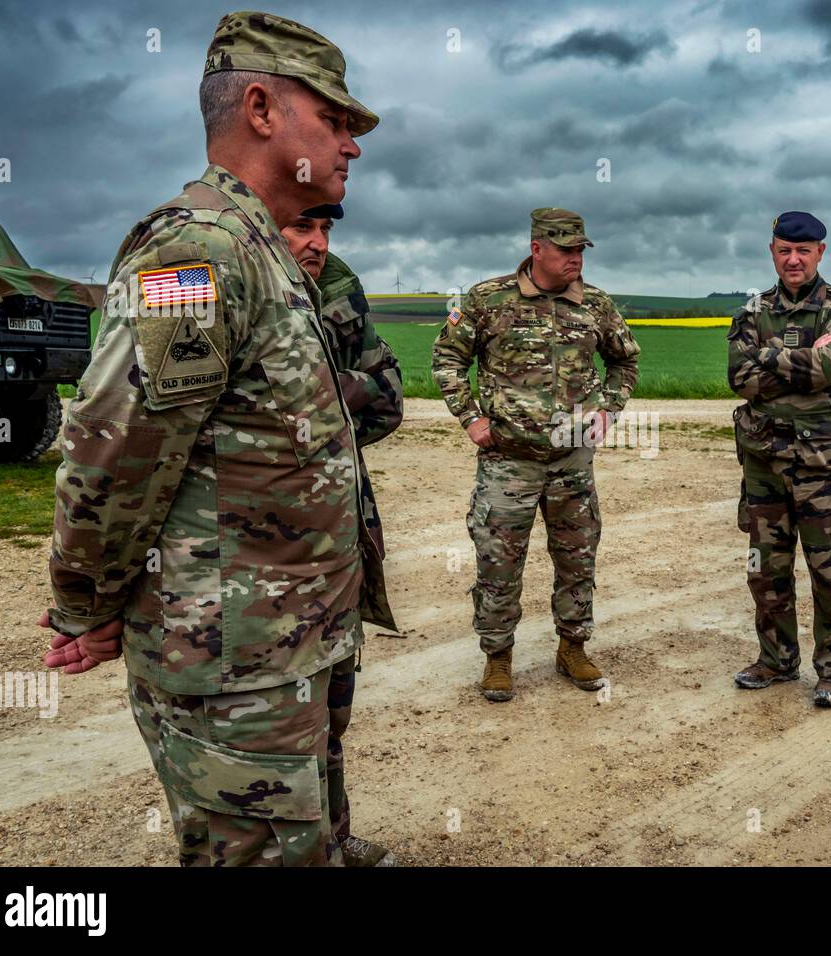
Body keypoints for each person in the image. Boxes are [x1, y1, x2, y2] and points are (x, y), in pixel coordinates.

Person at [40, 11, 391, 866]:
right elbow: (116, 452)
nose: (352, 146)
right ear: (263, 109)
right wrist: (86, 604)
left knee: (311, 824)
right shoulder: (193, 255)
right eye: (338, 121)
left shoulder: (266, 253)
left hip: (293, 636)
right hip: (230, 655)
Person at [431, 208, 640, 702]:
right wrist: (470, 418)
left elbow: (624, 360)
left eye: (580, 250)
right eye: (565, 250)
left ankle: (573, 647)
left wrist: (608, 408)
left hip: (573, 462)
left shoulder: (596, 305)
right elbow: (447, 358)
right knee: (498, 562)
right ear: (536, 248)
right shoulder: (487, 299)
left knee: (577, 560)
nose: (575, 259)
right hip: (508, 461)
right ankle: (498, 656)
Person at [281, 203, 402, 867]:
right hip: (240, 568)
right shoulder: (200, 270)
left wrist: (310, 405)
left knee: (331, 711)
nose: (318, 244)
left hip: (333, 544)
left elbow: (389, 398)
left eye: (326, 229)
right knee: (264, 730)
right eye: (303, 227)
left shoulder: (335, 284)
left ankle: (333, 837)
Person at [727, 211, 831, 706]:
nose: (793, 259)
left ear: (820, 253)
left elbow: (827, 372)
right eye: (785, 250)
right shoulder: (753, 309)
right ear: (772, 251)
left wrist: (767, 356)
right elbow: (740, 379)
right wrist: (797, 362)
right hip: (763, 463)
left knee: (829, 573)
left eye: (803, 251)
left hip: (822, 468)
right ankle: (776, 660)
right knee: (766, 569)